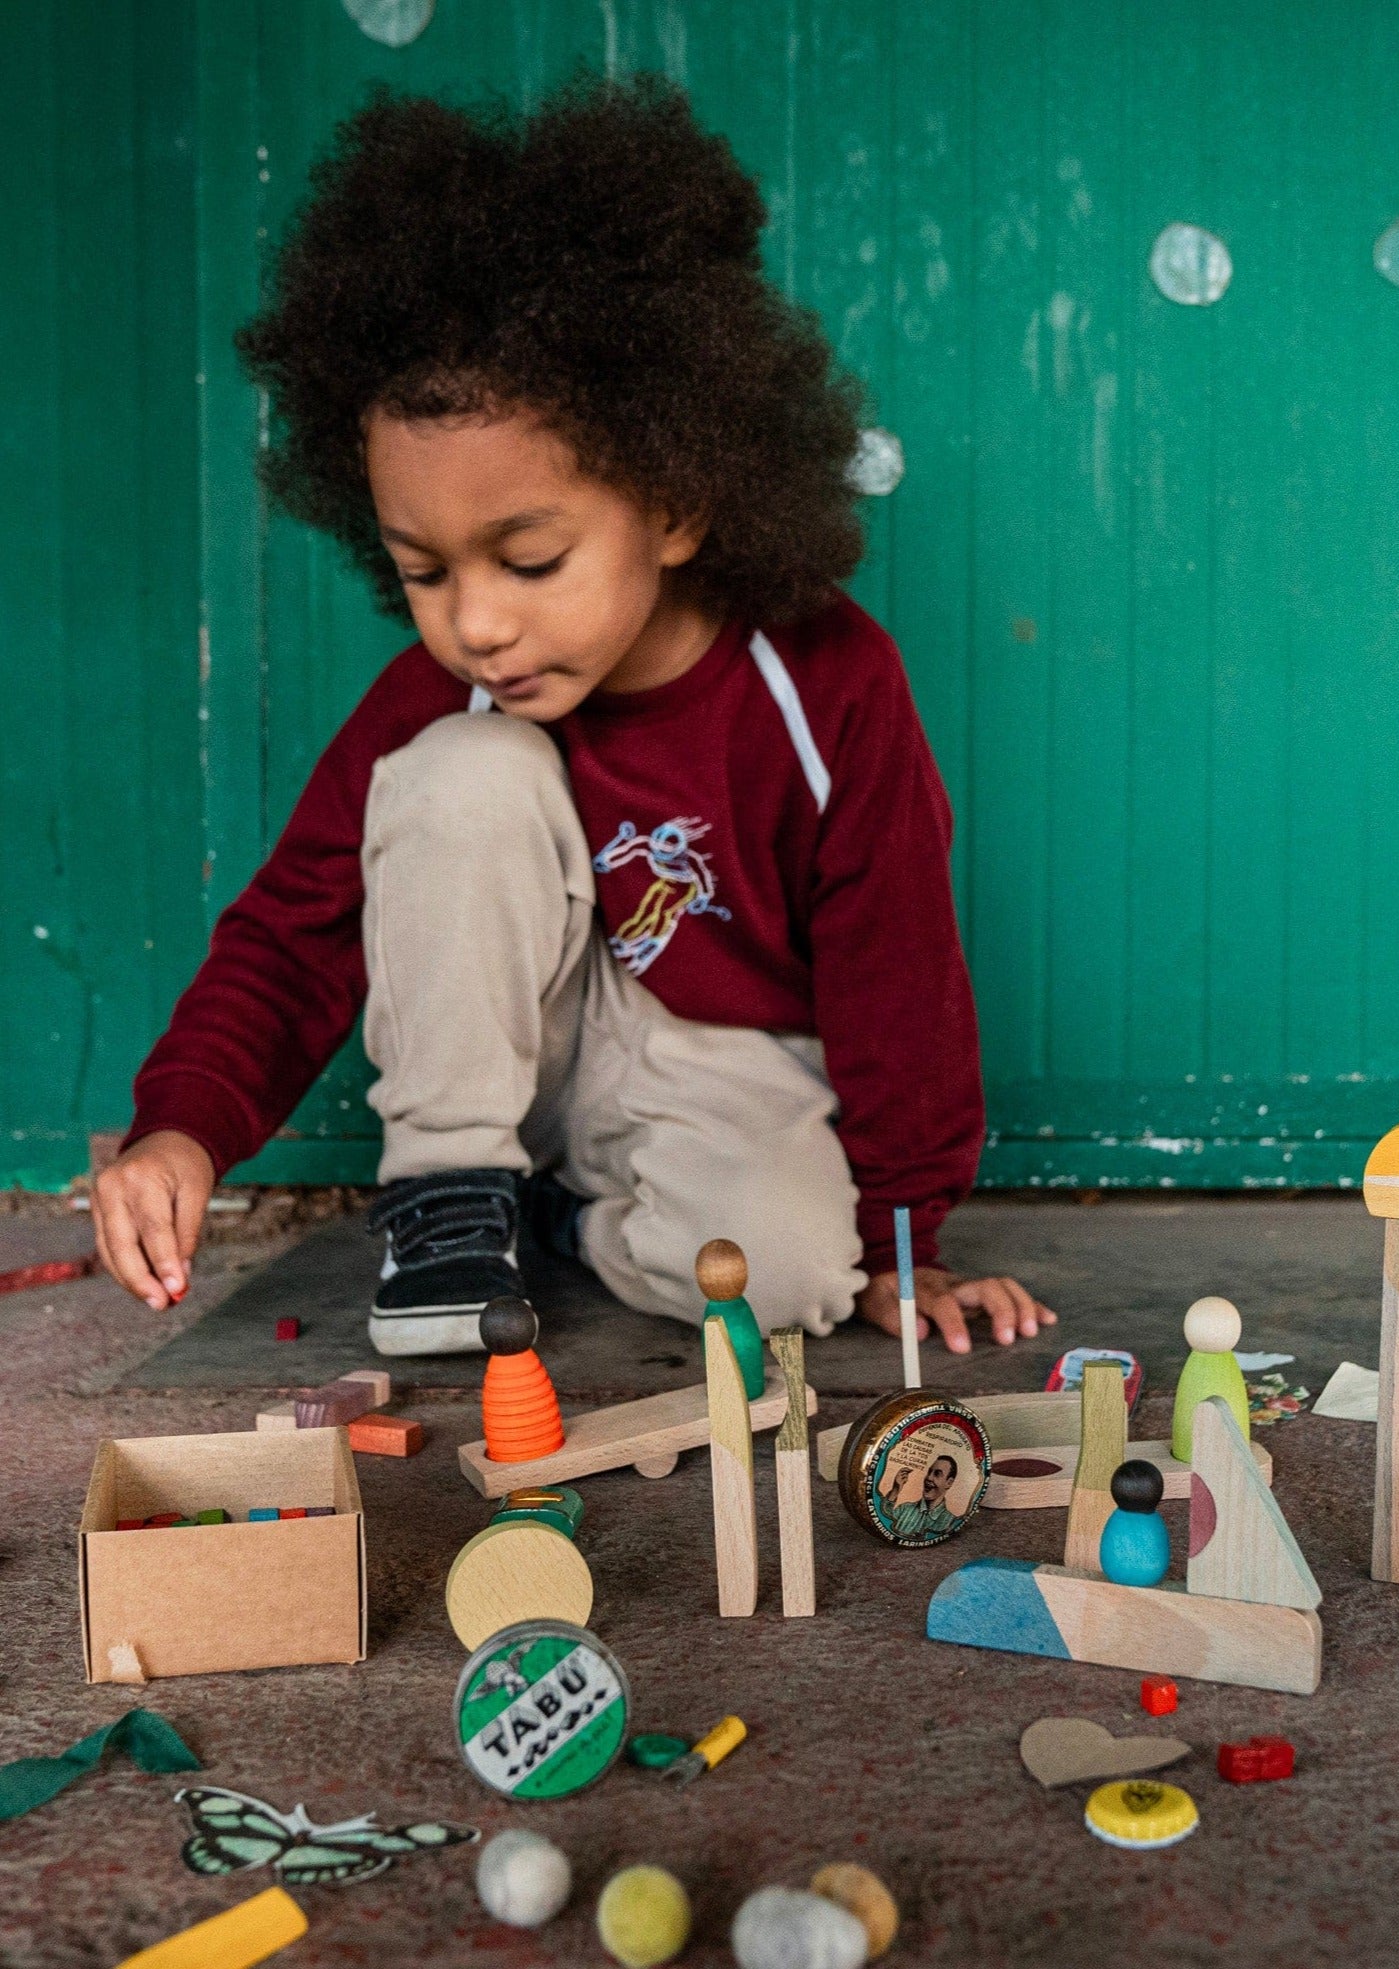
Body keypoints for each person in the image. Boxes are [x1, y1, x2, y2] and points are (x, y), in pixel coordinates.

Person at [90, 77, 1055, 1363]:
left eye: (528, 559)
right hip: (513, 1064)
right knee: (462, 773)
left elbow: (901, 977)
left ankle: (554, 1224)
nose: (475, 624)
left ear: (674, 502)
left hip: (722, 1065)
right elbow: (297, 928)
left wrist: (901, 1240)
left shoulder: (826, 681)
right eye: (426, 571)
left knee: (779, 1282)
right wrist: (181, 1126)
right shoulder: (446, 690)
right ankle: (445, 1197)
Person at [883, 1454, 962, 1542]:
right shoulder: (905, 1509)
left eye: (937, 1474)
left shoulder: (950, 1521)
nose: (929, 1478)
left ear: (949, 1483)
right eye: (929, 1472)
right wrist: (895, 1490)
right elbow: (883, 1523)